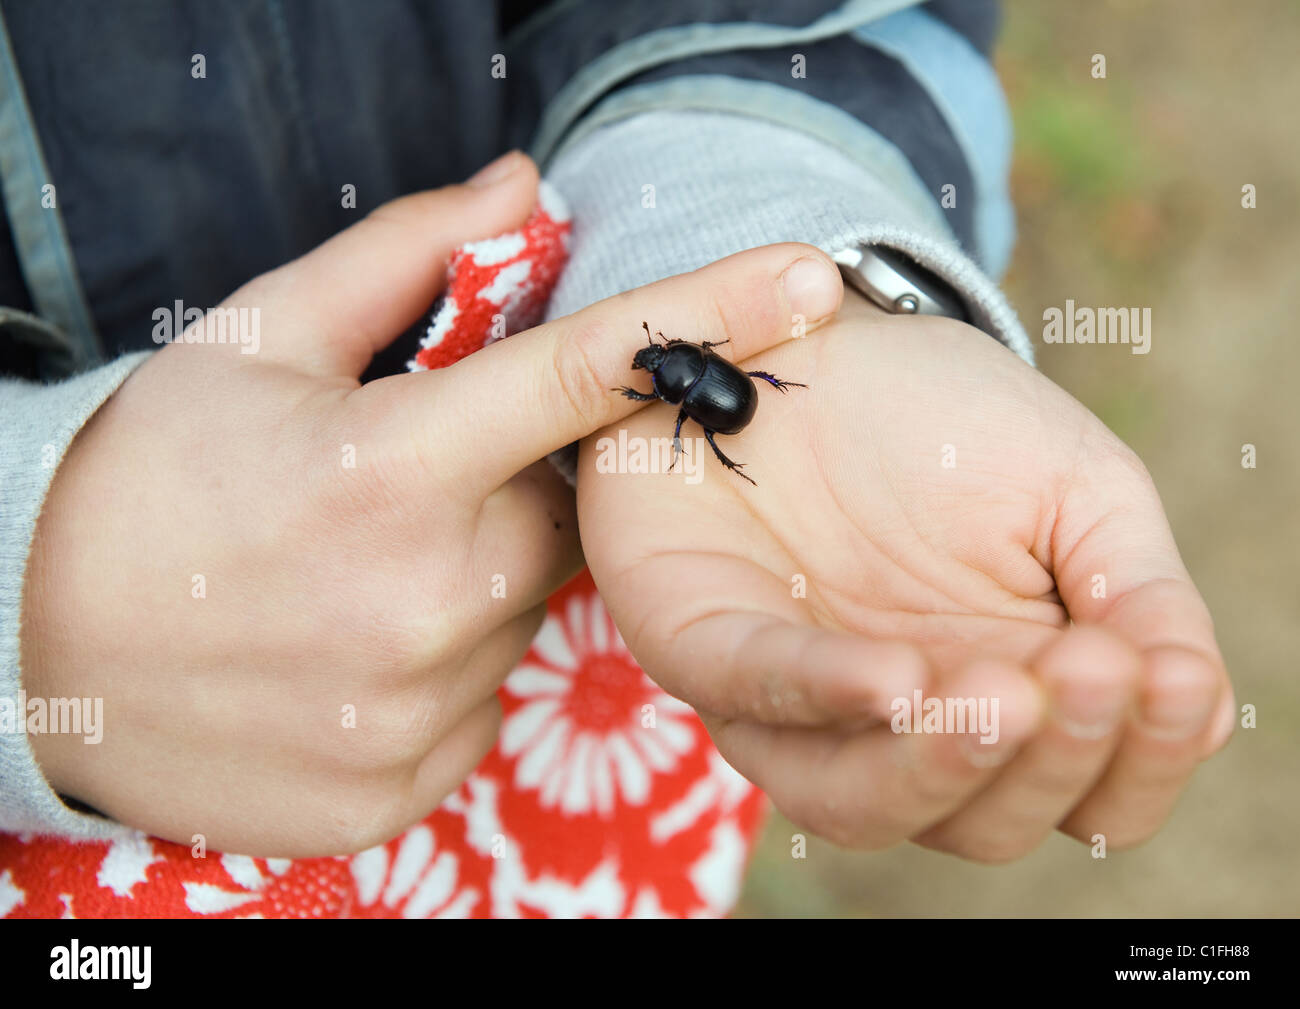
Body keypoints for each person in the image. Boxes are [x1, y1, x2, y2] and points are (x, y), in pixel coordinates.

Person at [0, 0, 1231, 917]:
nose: (650, 380)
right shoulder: (679, 384)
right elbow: (683, 380)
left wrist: (730, 222)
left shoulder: (683, 400)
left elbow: (693, 368)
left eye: (658, 371)